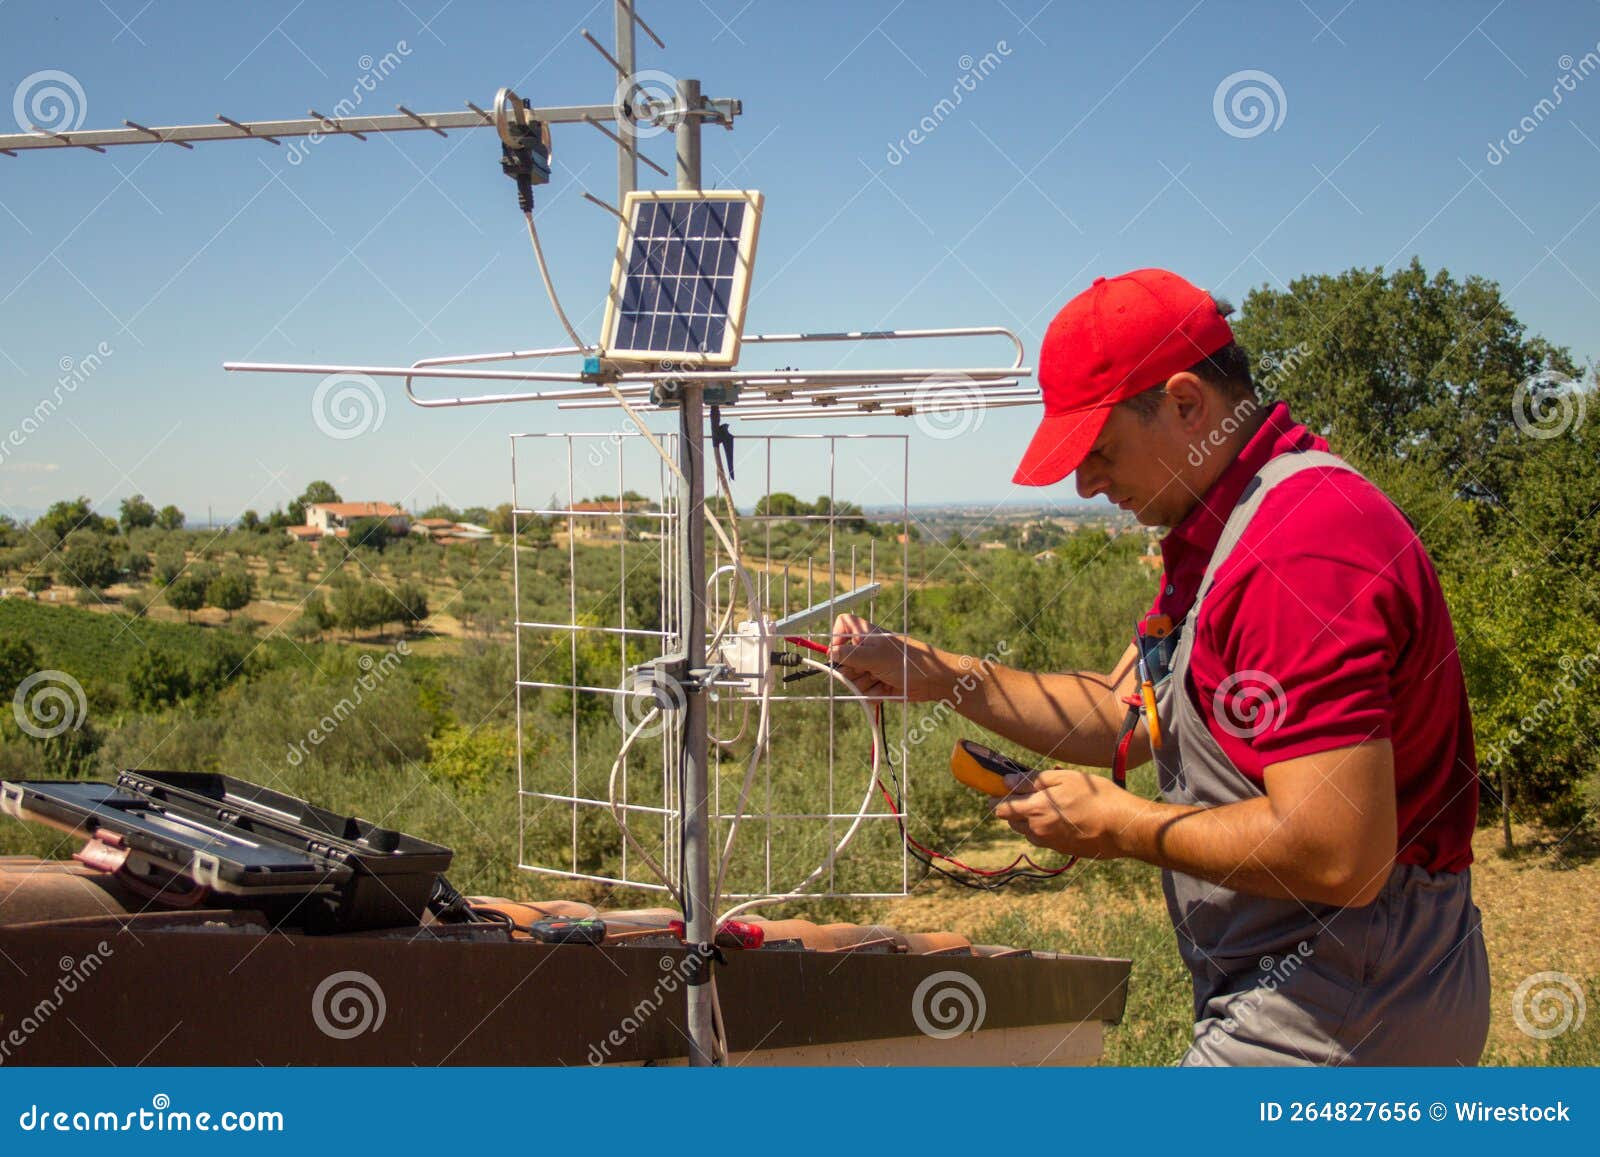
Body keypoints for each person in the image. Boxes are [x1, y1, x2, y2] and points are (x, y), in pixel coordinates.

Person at [830, 268, 1489, 1066]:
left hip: (1342, 1009)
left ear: (1186, 404)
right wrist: (938, 674)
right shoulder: (1227, 530)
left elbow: (1340, 852)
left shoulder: (1301, 548)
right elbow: (1125, 716)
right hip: (1311, 994)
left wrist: (1124, 826)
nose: (1085, 482)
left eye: (1100, 450)